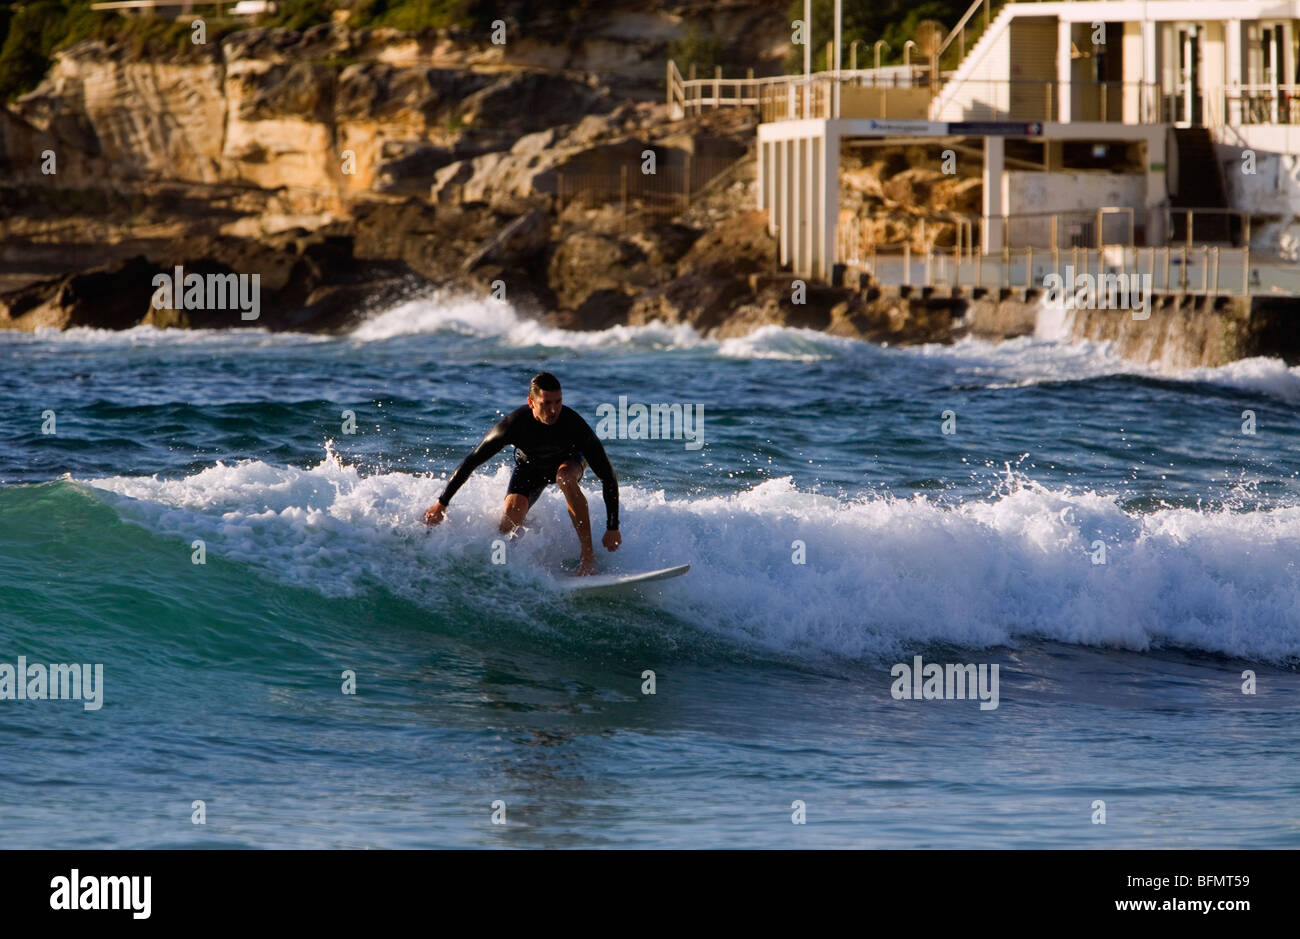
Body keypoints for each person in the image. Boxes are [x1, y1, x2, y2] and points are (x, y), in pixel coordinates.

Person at [423, 372, 621, 575]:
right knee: (509, 519)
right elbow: (471, 462)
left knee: (564, 478)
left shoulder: (575, 425)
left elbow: (608, 476)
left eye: (558, 402)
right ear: (531, 402)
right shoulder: (513, 425)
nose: (554, 410)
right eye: (546, 403)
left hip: (568, 462)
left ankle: (588, 558)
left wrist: (612, 526)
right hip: (530, 468)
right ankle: (503, 565)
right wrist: (442, 503)